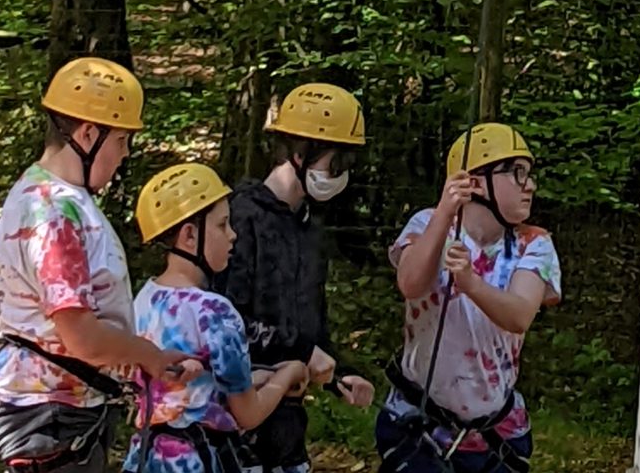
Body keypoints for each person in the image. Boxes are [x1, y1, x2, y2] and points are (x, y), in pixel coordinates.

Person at [0, 59, 201, 473]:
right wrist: (147, 355)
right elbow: (80, 336)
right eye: (121, 140)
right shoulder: (53, 212)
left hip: (63, 408)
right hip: (53, 414)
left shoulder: (57, 199)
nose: (125, 154)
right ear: (88, 134)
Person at [376, 125, 561, 473]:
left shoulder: (533, 244)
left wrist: (472, 284)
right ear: (475, 182)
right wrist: (446, 211)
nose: (530, 185)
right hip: (419, 425)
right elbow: (411, 283)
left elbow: (520, 314)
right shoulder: (428, 224)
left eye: (530, 174)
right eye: (517, 173)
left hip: (496, 433)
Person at [220, 83, 374, 473]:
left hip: (288, 426)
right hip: (239, 423)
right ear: (300, 152)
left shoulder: (308, 227)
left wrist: (341, 372)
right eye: (335, 164)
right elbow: (227, 323)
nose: (340, 176)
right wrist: (304, 353)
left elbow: (309, 323)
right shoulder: (241, 218)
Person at [129, 165, 312, 473]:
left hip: (146, 457)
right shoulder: (214, 311)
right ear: (189, 235)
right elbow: (248, 414)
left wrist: (262, 375)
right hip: (199, 461)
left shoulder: (142, 299)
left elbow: (195, 390)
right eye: (223, 225)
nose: (233, 235)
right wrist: (288, 374)